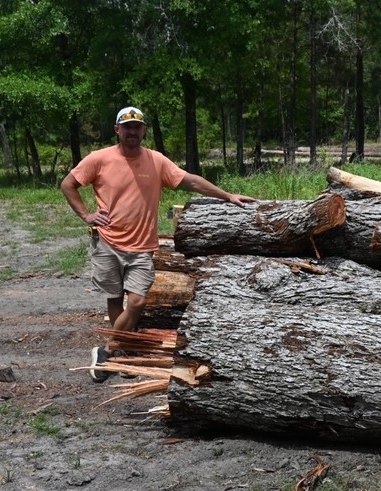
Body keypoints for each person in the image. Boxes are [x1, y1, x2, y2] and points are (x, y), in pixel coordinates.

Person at [61, 106, 256, 381]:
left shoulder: (156, 161)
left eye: (136, 126)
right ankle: (125, 350)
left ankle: (108, 349)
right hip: (107, 242)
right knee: (114, 298)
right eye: (126, 127)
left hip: (142, 245)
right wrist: (86, 215)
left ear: (143, 130)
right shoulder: (99, 159)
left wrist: (227, 195)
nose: (132, 131)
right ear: (117, 130)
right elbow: (68, 184)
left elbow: (191, 181)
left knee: (137, 301)